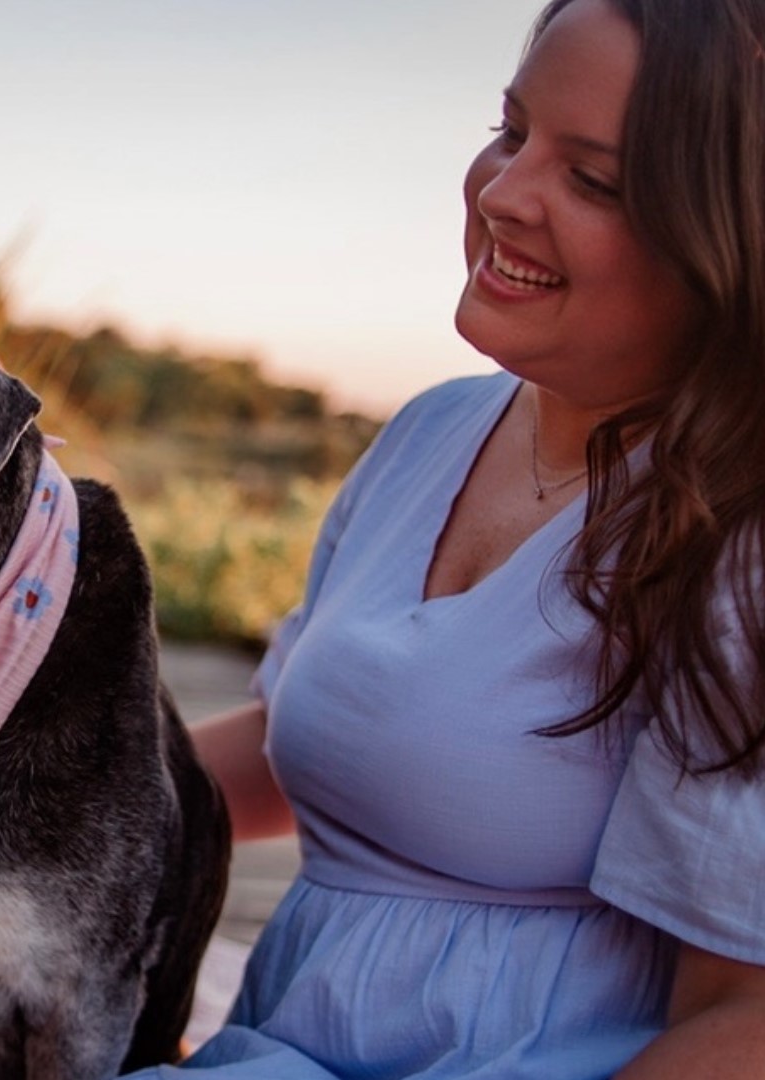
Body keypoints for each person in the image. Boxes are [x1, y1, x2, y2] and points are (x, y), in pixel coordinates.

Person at [138, 0, 765, 1076]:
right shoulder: (430, 431)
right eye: (511, 131)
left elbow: (745, 1022)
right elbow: (301, 736)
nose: (503, 194)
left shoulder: (735, 538)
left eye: (593, 180)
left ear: (727, 239)